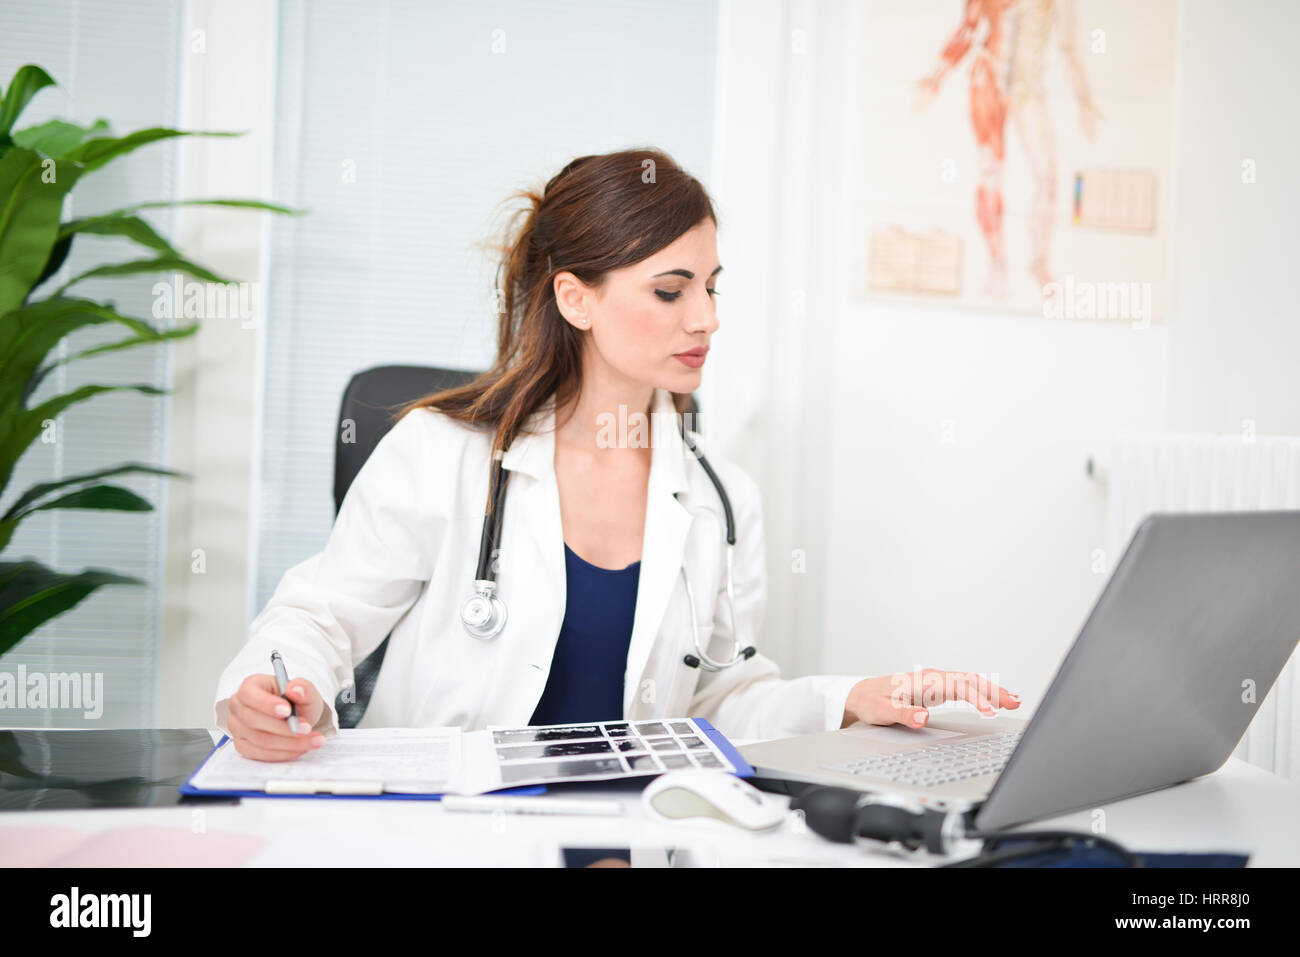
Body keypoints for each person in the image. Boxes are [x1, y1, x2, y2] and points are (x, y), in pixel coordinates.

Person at [213, 147, 1020, 761]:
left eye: (713, 286)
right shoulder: (439, 455)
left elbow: (721, 699)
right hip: (443, 835)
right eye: (671, 290)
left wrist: (857, 696)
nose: (705, 318)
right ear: (576, 297)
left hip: (621, 841)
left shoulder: (721, 500)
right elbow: (317, 620)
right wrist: (280, 689)